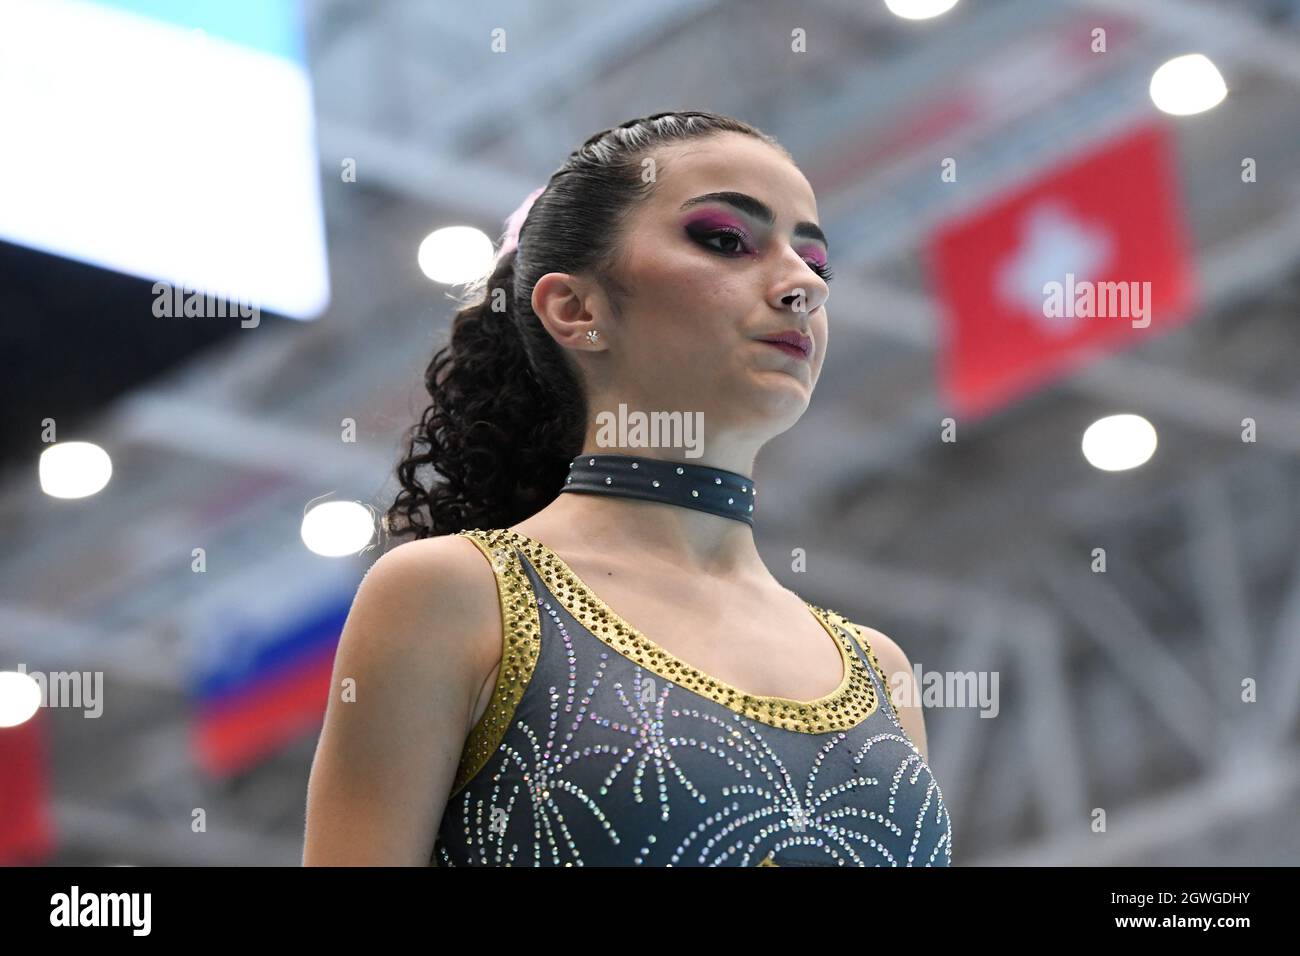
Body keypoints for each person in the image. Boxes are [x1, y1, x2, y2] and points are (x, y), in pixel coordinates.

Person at [303, 111, 952, 867]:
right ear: (575, 310)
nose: (804, 283)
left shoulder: (881, 670)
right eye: (725, 240)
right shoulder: (454, 595)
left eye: (817, 262)